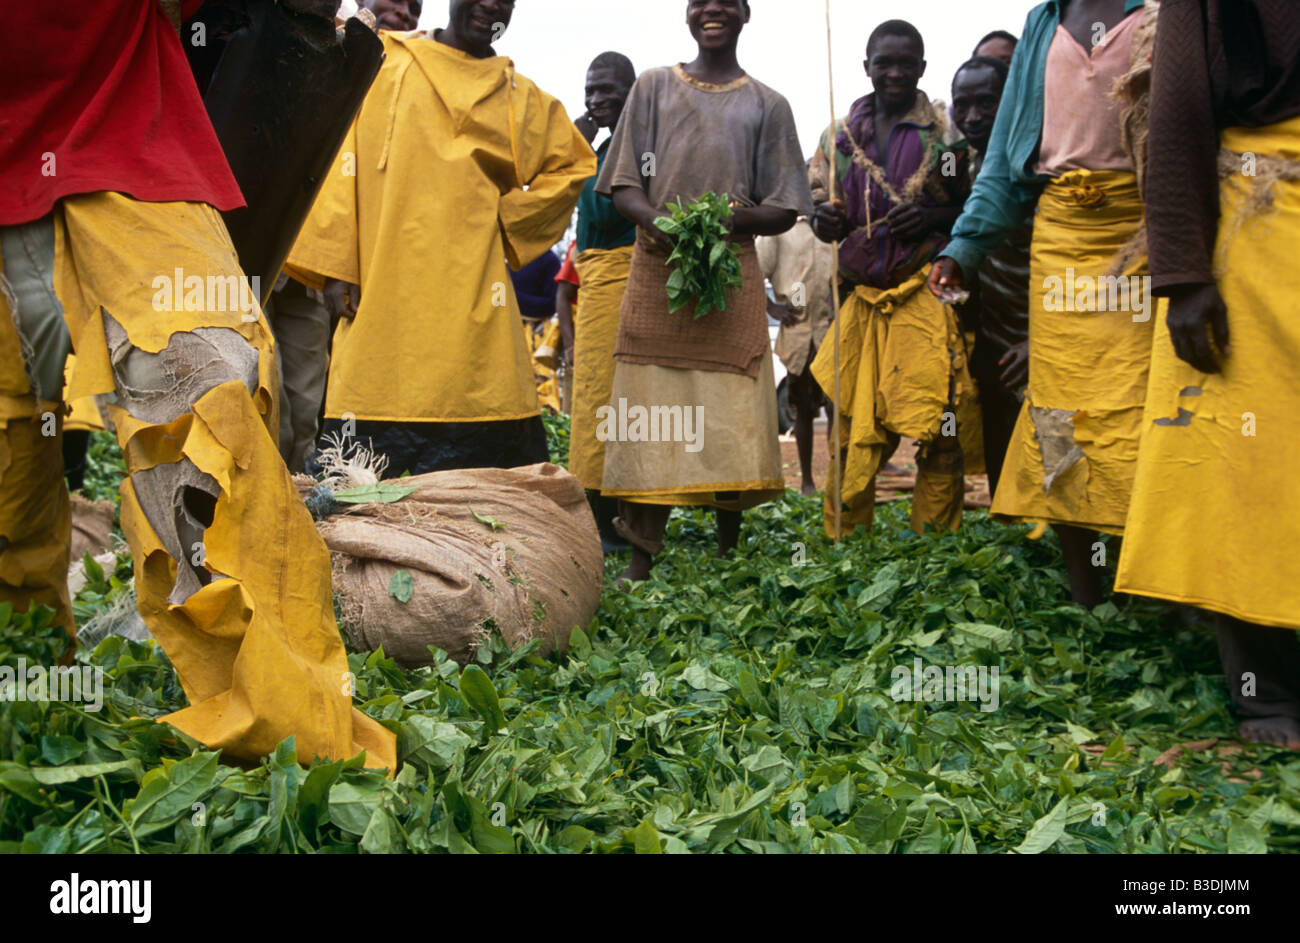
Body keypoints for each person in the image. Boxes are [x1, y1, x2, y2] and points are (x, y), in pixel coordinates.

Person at [0, 0, 395, 768]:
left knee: (209, 391)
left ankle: (283, 727)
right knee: (10, 455)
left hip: (132, 147)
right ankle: (32, 683)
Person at [288, 0, 596, 476]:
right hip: (381, 281)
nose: (492, 3)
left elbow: (574, 164)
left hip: (474, 294)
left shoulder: (518, 97)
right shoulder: (383, 61)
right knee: (362, 484)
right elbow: (338, 145)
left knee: (487, 483)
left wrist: (508, 222)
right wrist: (334, 263)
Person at [1114, 0, 1300, 749]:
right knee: (1247, 465)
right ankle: (1266, 690)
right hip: (1259, 221)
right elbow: (1180, 109)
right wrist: (1185, 274)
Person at [931, 0, 1152, 608]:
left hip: (1145, 229)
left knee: (1143, 405)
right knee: (1061, 412)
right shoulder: (1042, 22)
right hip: (1061, 236)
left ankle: (1157, 587)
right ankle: (1087, 594)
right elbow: (1004, 156)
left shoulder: (1164, 11)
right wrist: (965, 245)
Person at [595, 0, 810, 582]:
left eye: (725, 1)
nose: (711, 9)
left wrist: (729, 223)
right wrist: (663, 222)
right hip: (657, 270)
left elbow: (785, 206)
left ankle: (728, 549)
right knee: (651, 407)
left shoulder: (768, 105)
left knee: (730, 410)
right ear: (688, 14)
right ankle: (642, 553)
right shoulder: (653, 88)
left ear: (745, 13)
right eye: (700, 1)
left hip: (729, 272)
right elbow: (623, 187)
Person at [809, 19, 976, 539]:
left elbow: (965, 213)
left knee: (938, 424)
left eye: (907, 63)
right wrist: (825, 221)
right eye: (885, 63)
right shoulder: (839, 136)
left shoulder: (945, 139)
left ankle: (936, 545)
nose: (896, 73)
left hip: (925, 296)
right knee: (850, 425)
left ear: (923, 69)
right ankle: (845, 543)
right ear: (867, 68)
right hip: (861, 299)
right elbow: (818, 211)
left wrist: (929, 219)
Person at [567, 52, 639, 553]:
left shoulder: (631, 150)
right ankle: (597, 510)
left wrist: (582, 151)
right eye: (591, 91)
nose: (597, 100)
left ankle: (613, 516)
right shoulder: (604, 147)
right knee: (593, 397)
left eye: (608, 91)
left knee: (613, 399)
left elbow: (605, 210)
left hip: (622, 283)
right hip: (595, 285)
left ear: (631, 92)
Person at [949, 55, 1029, 498]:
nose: (973, 116)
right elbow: (942, 210)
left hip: (1045, 322)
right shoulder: (958, 161)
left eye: (987, 103)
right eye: (962, 105)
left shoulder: (1034, 161)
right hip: (994, 325)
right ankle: (1006, 518)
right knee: (998, 417)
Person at [756, 211, 835, 496]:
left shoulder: (833, 227)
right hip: (798, 333)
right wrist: (773, 308)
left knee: (836, 406)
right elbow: (752, 270)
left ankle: (837, 478)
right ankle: (807, 482)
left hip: (830, 333)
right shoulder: (779, 229)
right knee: (803, 410)